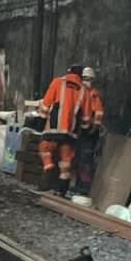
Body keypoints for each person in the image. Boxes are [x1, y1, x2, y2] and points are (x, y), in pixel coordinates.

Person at [37, 65, 86, 197]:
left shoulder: (58, 82)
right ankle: (61, 190)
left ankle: (48, 169)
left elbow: (46, 103)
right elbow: (86, 115)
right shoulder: (83, 90)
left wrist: (40, 120)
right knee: (66, 162)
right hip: (71, 132)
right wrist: (86, 129)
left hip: (54, 128)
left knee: (45, 149)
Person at [73, 66, 105, 201]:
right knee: (79, 158)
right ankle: (79, 184)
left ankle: (84, 187)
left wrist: (93, 128)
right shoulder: (82, 93)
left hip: (89, 132)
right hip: (83, 130)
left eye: (88, 79)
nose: (87, 81)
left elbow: (98, 114)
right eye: (85, 79)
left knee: (85, 159)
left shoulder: (93, 94)